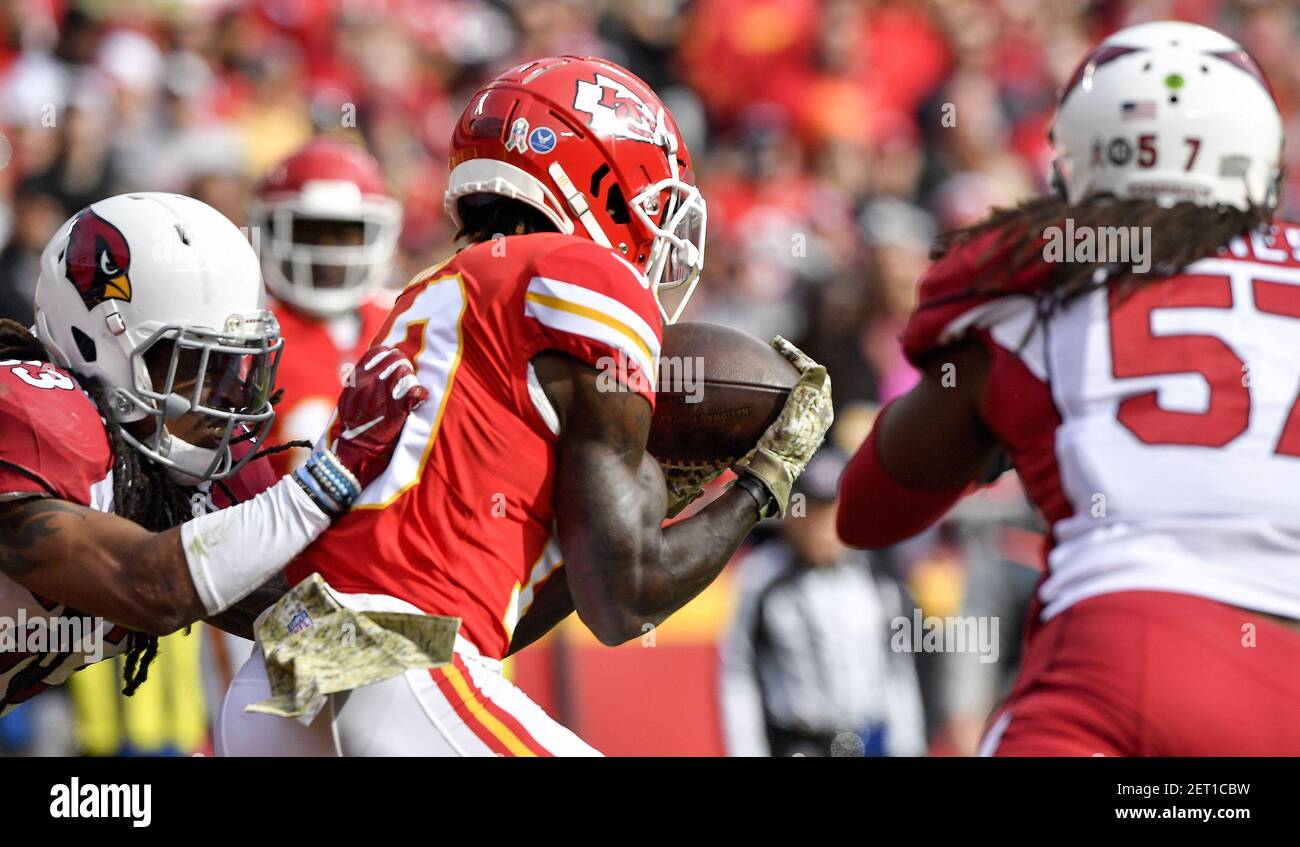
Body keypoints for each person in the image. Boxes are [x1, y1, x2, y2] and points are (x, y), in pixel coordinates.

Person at [216, 56, 834, 757]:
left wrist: (624, 513)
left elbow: (517, 609)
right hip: (398, 654)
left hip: (294, 661)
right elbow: (624, 600)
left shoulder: (427, 296)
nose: (658, 232)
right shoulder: (584, 274)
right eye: (655, 201)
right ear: (600, 176)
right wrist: (766, 479)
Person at [836, 21, 1300, 755]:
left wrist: (992, 430)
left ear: (1075, 158)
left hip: (1123, 659)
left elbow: (867, 510)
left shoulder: (1039, 282)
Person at [0, 191, 424, 716]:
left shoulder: (190, 466)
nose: (225, 397)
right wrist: (327, 479)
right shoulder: (29, 410)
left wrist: (542, 562)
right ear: (96, 345)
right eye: (195, 363)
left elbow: (332, 650)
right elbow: (147, 587)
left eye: (234, 366)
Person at [719, 447, 925, 757]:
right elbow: (738, 676)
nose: (823, 530)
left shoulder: (879, 576)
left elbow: (899, 670)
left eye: (833, 514)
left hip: (872, 742)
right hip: (800, 744)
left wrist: (909, 745)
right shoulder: (761, 579)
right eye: (813, 516)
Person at [249, 137, 404, 474]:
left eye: (346, 233)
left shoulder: (407, 320)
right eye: (309, 231)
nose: (327, 252)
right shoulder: (245, 336)